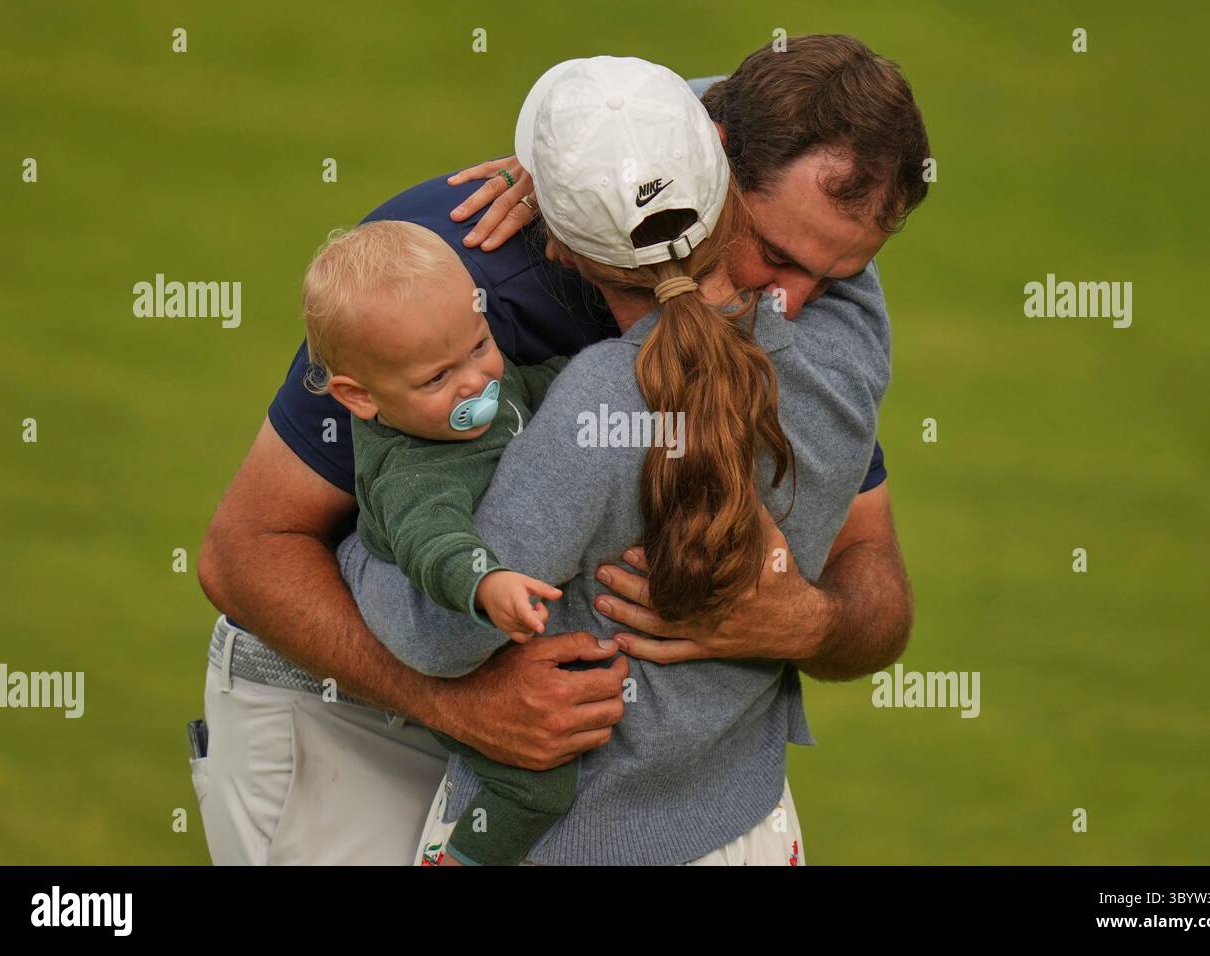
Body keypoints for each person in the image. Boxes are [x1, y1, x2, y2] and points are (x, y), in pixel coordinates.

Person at [195, 33, 926, 865]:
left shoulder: (812, 307)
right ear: (714, 166)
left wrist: (808, 621)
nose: (793, 304)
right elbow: (245, 552)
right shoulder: (449, 276)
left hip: (596, 793)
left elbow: (869, 562)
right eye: (780, 256)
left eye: (838, 275)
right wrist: (459, 703)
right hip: (354, 725)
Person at [299, 219, 577, 866]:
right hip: (438, 621)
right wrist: (486, 581)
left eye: (479, 346)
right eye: (435, 379)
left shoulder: (486, 382)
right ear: (359, 396)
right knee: (539, 786)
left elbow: (544, 388)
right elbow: (436, 543)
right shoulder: (414, 470)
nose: (474, 384)